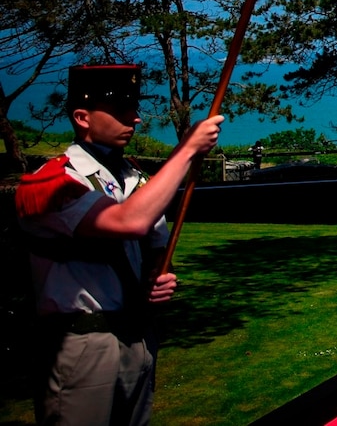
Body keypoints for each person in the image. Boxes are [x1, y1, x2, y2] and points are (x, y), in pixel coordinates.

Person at [16, 64, 222, 426]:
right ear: (82, 117)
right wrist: (187, 150)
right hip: (82, 341)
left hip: (137, 336)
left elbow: (154, 246)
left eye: (134, 107)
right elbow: (129, 221)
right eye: (120, 110)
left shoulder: (133, 178)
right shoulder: (53, 182)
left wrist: (161, 277)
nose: (136, 118)